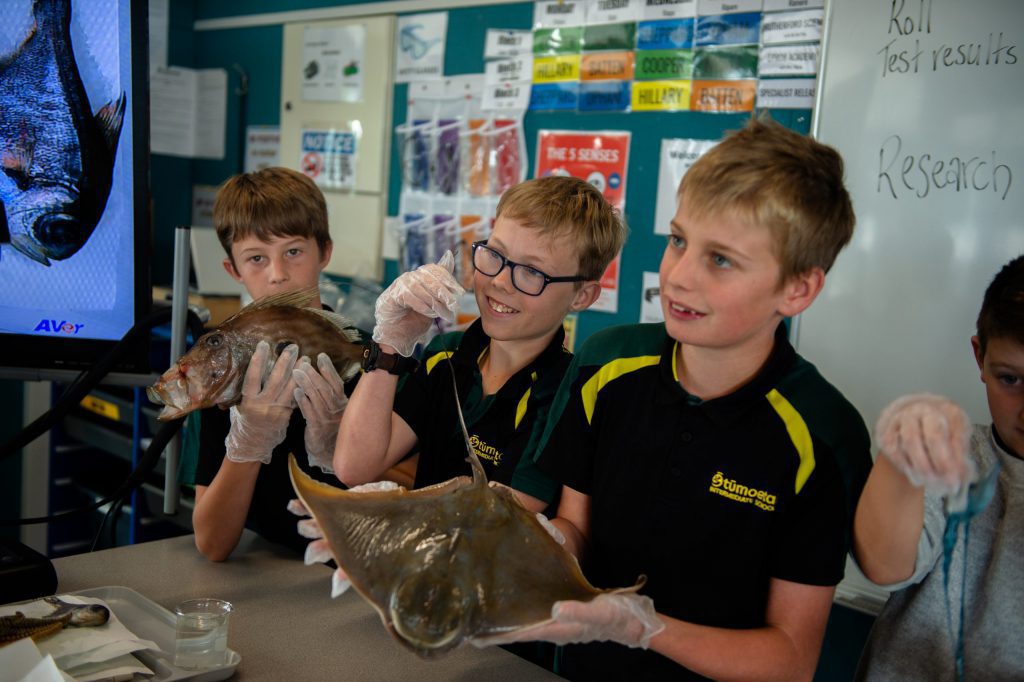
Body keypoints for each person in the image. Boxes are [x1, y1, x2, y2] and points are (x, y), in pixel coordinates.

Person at [491, 117, 873, 680]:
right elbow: (576, 528)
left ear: (798, 289)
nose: (677, 276)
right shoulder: (608, 363)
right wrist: (518, 543)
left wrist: (646, 628)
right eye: (678, 240)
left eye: (720, 259)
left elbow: (791, 657)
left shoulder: (823, 433)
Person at [324, 175, 626, 514]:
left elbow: (495, 527)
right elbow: (354, 467)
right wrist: (390, 343)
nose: (499, 281)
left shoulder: (564, 394)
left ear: (582, 296)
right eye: (495, 254)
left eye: (531, 272)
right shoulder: (447, 356)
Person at [853, 255, 1024, 680]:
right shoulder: (958, 457)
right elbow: (886, 565)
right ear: (979, 356)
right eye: (1011, 379)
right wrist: (902, 457)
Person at [190, 167, 351, 561]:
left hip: (353, 577)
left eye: (293, 252)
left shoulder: (369, 362)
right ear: (233, 270)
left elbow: (405, 507)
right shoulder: (222, 373)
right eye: (256, 258)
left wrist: (342, 455)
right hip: (265, 573)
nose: (278, 276)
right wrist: (247, 445)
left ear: (325, 251)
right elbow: (212, 544)